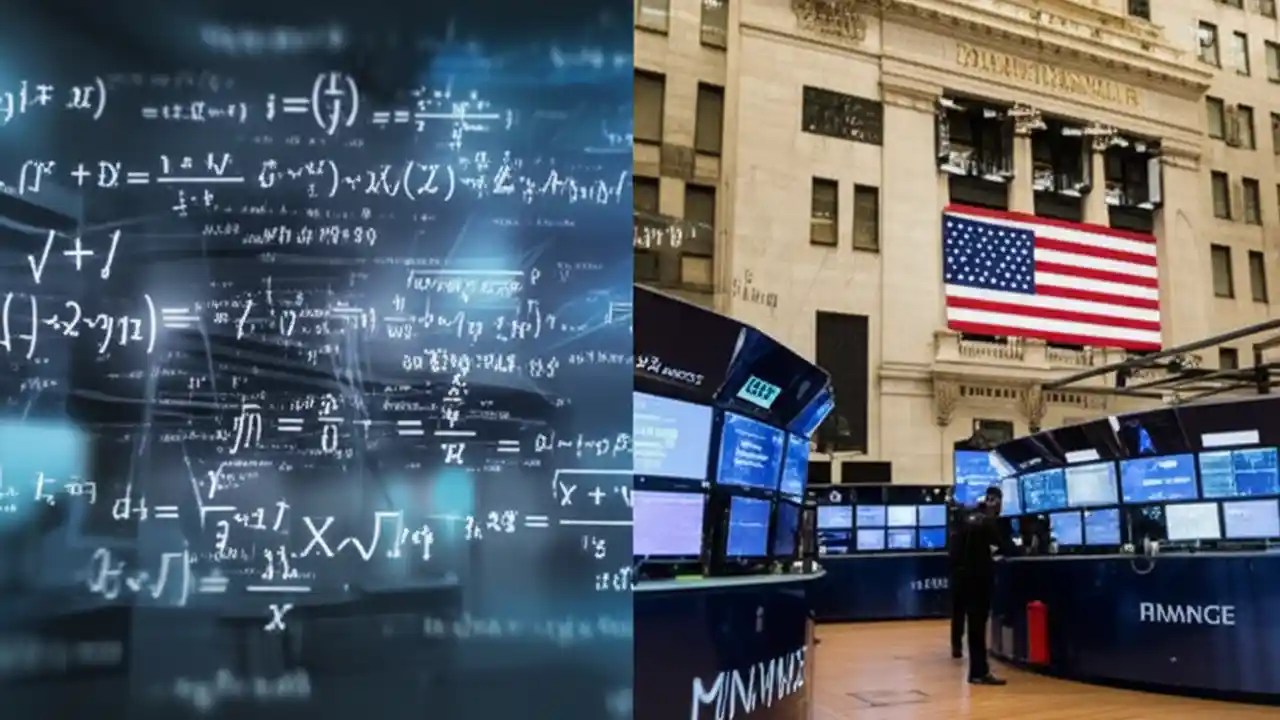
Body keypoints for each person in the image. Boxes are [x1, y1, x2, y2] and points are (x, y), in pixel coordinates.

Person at [955, 485, 1016, 686]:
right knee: (978, 628)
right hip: (980, 582)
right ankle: (980, 672)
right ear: (995, 501)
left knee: (973, 628)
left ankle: (976, 671)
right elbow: (1007, 548)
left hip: (964, 580)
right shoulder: (988, 523)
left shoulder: (968, 518)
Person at [946, 495, 966, 659]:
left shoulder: (953, 535)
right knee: (965, 613)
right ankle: (958, 646)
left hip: (957, 577)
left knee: (957, 613)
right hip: (966, 577)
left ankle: (956, 646)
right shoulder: (967, 534)